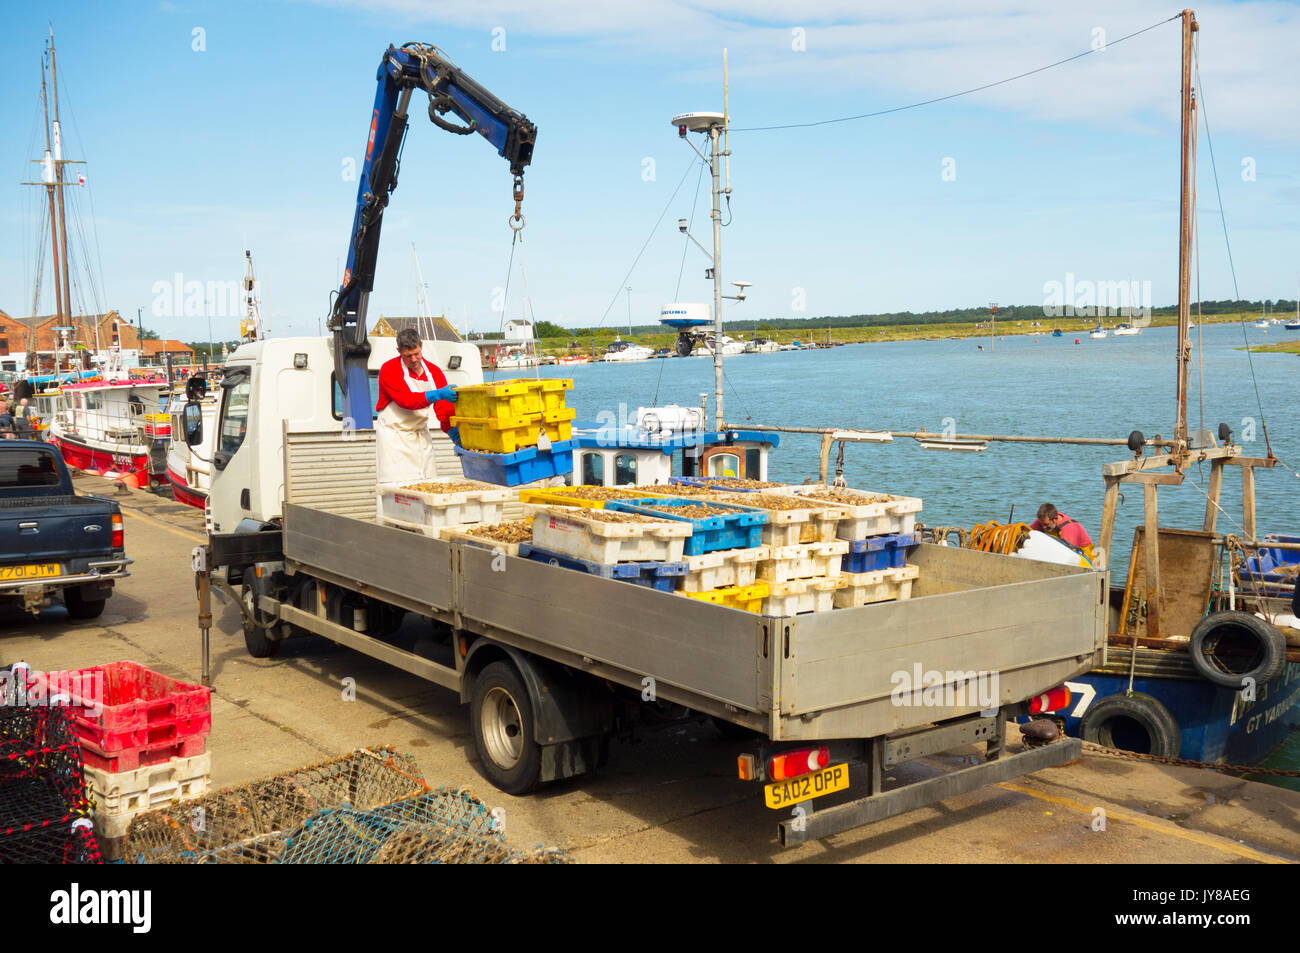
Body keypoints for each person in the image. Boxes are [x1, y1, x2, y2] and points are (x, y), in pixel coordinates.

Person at [375, 327, 459, 485]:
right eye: (408, 356)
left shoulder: (434, 372)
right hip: (394, 440)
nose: (413, 359)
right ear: (399, 351)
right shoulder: (389, 369)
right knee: (397, 489)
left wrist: (455, 432)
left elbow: (444, 410)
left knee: (428, 485)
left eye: (416, 354)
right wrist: (437, 394)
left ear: (421, 346)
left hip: (420, 436)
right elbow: (406, 401)